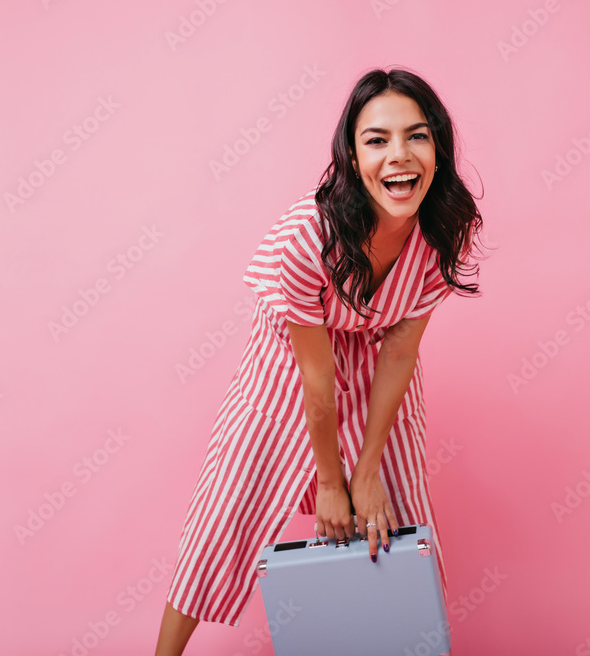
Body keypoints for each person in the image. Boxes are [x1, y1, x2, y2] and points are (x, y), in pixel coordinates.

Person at [154, 66, 485, 656]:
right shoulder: (307, 236)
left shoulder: (441, 231)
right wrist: (332, 482)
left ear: (438, 145)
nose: (399, 156)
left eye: (417, 135)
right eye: (377, 140)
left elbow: (402, 350)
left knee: (400, 530)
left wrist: (368, 470)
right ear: (353, 159)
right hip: (286, 374)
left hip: (377, 373)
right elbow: (316, 377)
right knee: (219, 525)